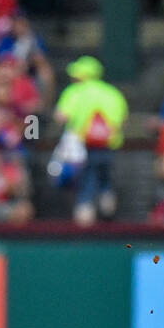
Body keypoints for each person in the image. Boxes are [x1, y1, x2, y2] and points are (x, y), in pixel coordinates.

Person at [54, 55, 129, 225]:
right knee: (105, 176)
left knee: (86, 177)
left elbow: (61, 116)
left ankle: (85, 210)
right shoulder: (113, 92)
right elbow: (123, 121)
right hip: (109, 146)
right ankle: (107, 202)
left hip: (82, 146)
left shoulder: (74, 91)